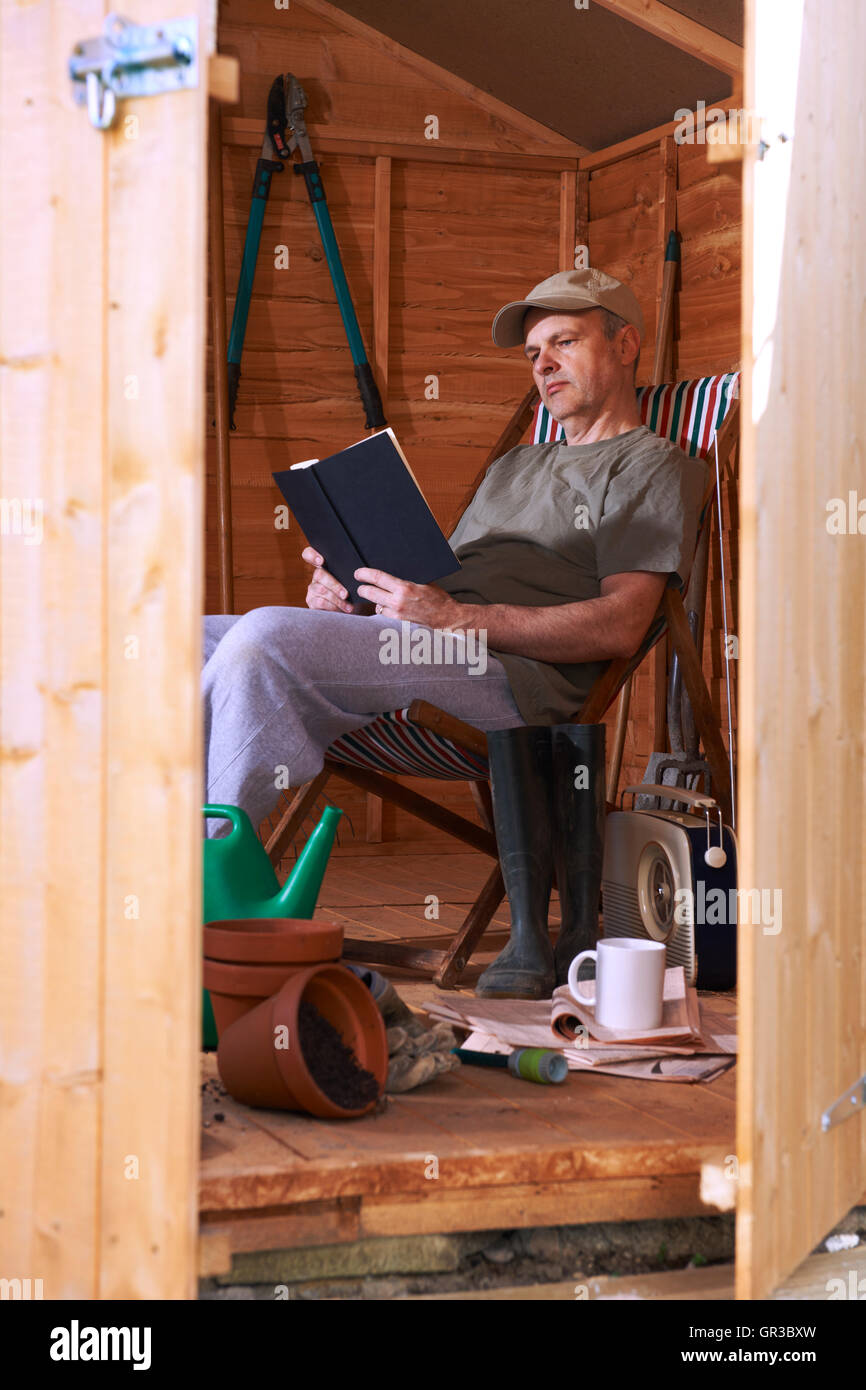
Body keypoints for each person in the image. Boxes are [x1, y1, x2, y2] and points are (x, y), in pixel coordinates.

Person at [203, 267, 708, 1001]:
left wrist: (456, 619)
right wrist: (354, 597)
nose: (543, 364)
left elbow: (622, 625)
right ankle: (149, 857)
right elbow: (442, 593)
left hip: (508, 676)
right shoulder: (514, 466)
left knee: (265, 640)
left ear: (625, 345)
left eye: (564, 341)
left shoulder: (655, 466)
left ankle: (206, 888)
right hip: (428, 646)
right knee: (186, 641)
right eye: (534, 352)